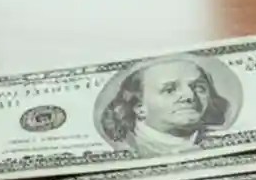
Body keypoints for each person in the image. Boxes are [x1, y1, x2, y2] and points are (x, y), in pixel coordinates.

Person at [99, 56, 232, 156]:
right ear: (139, 107)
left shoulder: (220, 140)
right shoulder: (128, 146)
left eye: (199, 88)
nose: (189, 96)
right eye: (169, 90)